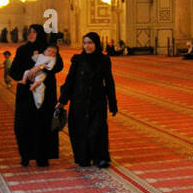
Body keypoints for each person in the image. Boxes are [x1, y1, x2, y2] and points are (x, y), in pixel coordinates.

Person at [59, 32, 117, 168]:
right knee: (80, 130)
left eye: (90, 43)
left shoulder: (104, 60)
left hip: (97, 100)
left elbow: (109, 82)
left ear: (96, 44)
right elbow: (70, 80)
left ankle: (100, 158)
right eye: (85, 43)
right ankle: (83, 157)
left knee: (98, 130)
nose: (87, 46)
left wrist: (112, 103)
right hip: (79, 100)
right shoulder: (78, 60)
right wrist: (62, 100)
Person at [9, 24, 63, 167]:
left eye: (34, 32)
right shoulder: (22, 50)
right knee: (24, 125)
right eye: (29, 32)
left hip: (45, 94)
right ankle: (25, 156)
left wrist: (40, 67)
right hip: (26, 93)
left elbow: (58, 66)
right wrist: (27, 75)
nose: (31, 34)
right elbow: (13, 71)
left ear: (40, 34)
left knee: (43, 125)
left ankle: (42, 156)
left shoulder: (49, 49)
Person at [22, 43, 59, 109]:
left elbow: (50, 67)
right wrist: (35, 54)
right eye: (49, 51)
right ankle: (23, 80)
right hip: (32, 72)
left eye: (53, 52)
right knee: (26, 72)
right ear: (44, 51)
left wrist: (41, 67)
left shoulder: (52, 58)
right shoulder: (41, 55)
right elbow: (34, 59)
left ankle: (33, 87)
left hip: (42, 73)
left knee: (39, 81)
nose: (51, 53)